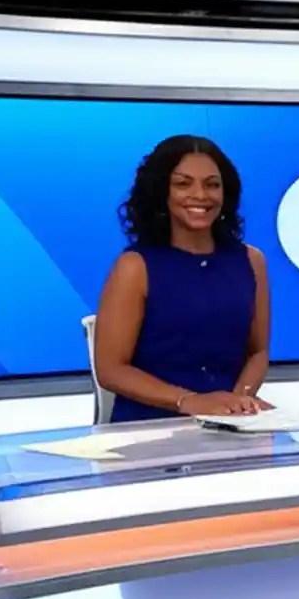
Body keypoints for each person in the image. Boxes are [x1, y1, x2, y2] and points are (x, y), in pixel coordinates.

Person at [94, 134, 273, 422]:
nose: (200, 195)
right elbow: (111, 369)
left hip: (229, 428)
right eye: (183, 184)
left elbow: (258, 352)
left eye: (212, 185)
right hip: (151, 429)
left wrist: (239, 402)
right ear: (161, 192)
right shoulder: (135, 267)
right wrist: (189, 401)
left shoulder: (252, 262)